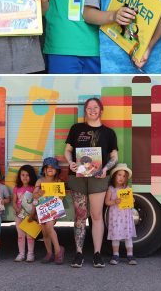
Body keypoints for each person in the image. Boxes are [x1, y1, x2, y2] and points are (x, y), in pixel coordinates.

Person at [64, 97, 119, 268]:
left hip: (98, 179)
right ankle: (79, 254)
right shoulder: (76, 129)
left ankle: (97, 254)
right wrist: (70, 162)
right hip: (77, 178)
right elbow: (67, 150)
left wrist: (105, 169)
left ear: (101, 110)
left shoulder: (109, 133)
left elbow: (114, 157)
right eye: (89, 108)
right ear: (85, 111)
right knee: (80, 216)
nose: (92, 110)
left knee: (96, 216)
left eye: (95, 107)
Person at [32, 157, 65, 264]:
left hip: (53, 210)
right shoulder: (40, 181)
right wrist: (38, 193)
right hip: (42, 211)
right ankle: (49, 253)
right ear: (44, 170)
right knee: (45, 232)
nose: (50, 169)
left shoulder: (58, 181)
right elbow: (34, 195)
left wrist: (59, 196)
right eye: (47, 167)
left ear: (57, 170)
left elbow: (61, 197)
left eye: (53, 167)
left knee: (50, 227)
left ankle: (58, 251)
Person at [104, 163, 137, 265]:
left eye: (124, 176)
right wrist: (114, 202)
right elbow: (107, 202)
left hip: (126, 216)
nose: (121, 178)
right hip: (115, 216)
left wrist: (132, 200)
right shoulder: (111, 188)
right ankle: (115, 255)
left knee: (128, 236)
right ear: (114, 176)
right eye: (119, 175)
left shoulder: (126, 188)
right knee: (116, 235)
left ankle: (130, 255)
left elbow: (130, 202)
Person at [12, 164, 37, 262]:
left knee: (30, 235)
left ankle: (30, 254)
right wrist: (17, 210)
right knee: (20, 235)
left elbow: (35, 202)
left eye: (27, 175)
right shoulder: (16, 188)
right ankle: (21, 253)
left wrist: (33, 214)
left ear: (31, 176)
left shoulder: (33, 188)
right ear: (19, 176)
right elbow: (14, 201)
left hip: (30, 216)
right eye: (22, 175)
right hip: (19, 215)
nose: (25, 177)